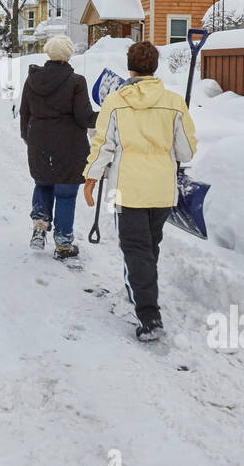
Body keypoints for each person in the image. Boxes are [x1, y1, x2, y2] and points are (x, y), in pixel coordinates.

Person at [83, 41, 197, 342]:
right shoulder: (174, 102)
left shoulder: (115, 101)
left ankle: (149, 316)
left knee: (135, 250)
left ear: (129, 67)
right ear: (154, 67)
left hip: (127, 191)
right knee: (148, 248)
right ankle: (141, 288)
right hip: (161, 189)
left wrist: (91, 178)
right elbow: (186, 152)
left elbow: (102, 144)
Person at [19, 35, 97, 259]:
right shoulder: (76, 81)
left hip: (39, 142)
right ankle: (63, 244)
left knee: (43, 184)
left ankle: (40, 226)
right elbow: (83, 117)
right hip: (69, 146)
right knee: (65, 193)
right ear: (68, 55)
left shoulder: (32, 80)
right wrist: (104, 117)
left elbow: (25, 113)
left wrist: (28, 137)